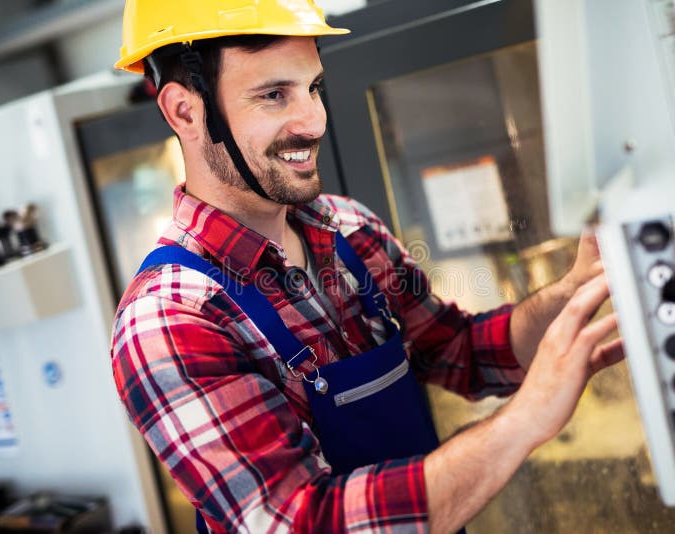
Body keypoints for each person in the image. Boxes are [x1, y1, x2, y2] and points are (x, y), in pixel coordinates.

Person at [110, 1, 625, 532]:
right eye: (273, 95)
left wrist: (574, 291)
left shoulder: (350, 231)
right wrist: (523, 422)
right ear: (185, 112)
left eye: (312, 87)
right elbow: (302, 523)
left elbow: (461, 352)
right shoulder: (170, 320)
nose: (313, 120)